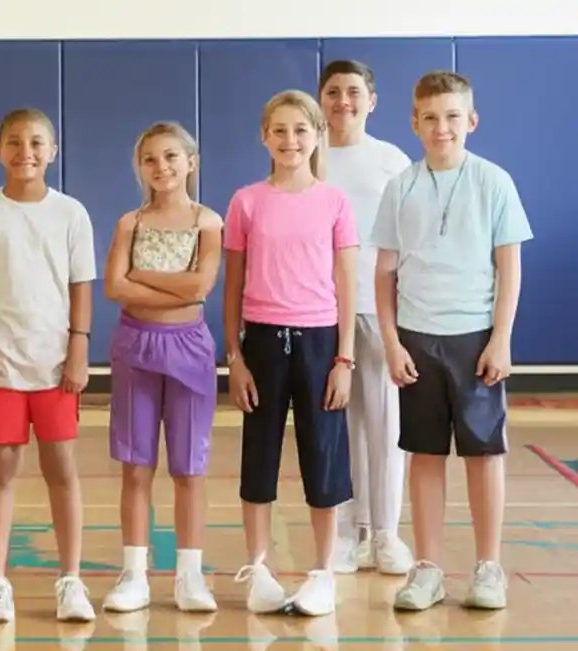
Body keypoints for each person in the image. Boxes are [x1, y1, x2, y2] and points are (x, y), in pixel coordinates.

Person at [372, 71, 530, 612]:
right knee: (425, 453)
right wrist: (392, 343)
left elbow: (508, 270)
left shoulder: (494, 182)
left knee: (484, 454)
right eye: (431, 118)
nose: (442, 128)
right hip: (418, 339)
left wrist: (501, 339)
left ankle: (489, 567)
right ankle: (429, 567)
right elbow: (384, 275)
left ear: (471, 121)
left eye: (452, 116)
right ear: (415, 123)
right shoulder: (401, 188)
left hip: (476, 340)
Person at [0, 107, 97, 624]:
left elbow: (82, 286)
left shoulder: (71, 214)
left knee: (62, 469)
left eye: (36, 143)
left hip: (56, 367)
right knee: (3, 470)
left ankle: (71, 581)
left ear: (53, 152)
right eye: (14, 142)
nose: (25, 152)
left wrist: (79, 347)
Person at [223, 89, 358, 617]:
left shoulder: (334, 201)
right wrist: (234, 357)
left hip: (320, 342)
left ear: (316, 135)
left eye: (300, 130)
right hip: (261, 342)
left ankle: (322, 572)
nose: (290, 140)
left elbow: (347, 283)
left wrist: (344, 359)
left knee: (323, 457)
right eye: (279, 130)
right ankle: (259, 569)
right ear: (264, 137)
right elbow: (232, 287)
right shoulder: (246, 201)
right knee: (259, 456)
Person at [101, 122, 221, 614]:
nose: (161, 167)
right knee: (136, 464)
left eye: (171, 157)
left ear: (190, 162)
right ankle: (134, 573)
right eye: (150, 159)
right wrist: (170, 282)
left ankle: (189, 575)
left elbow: (200, 287)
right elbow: (114, 286)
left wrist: (142, 274)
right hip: (136, 344)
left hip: (189, 347)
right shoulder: (130, 223)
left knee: (189, 467)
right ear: (140, 167)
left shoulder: (207, 222)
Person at [319, 59, 416, 576]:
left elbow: (408, 238)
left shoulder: (392, 161)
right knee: (335, 426)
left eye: (353, 91)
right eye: (332, 92)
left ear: (372, 101)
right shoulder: (309, 159)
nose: (343, 101)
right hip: (320, 309)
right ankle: (346, 532)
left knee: (384, 423)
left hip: (378, 309)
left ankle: (386, 534)